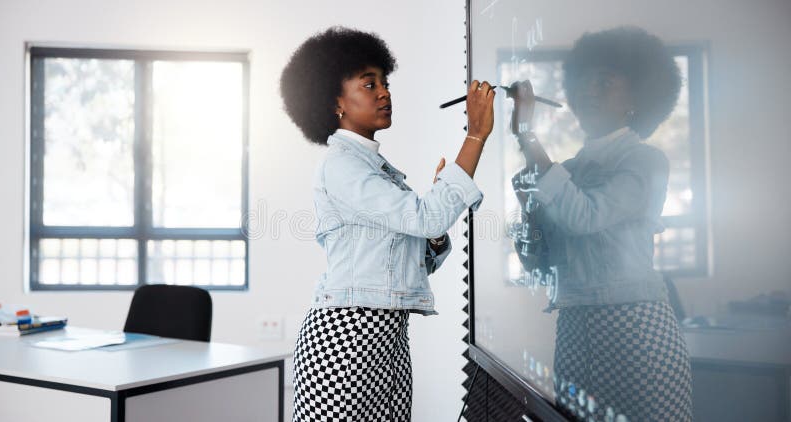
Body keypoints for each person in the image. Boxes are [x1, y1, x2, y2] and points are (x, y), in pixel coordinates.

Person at [279, 27, 495, 421]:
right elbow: (426, 215)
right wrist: (476, 136)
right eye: (368, 83)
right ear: (334, 103)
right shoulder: (342, 166)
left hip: (385, 336)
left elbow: (418, 251)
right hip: (345, 341)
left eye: (384, 81)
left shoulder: (374, 170)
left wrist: (432, 217)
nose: (384, 92)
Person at [510, 27, 692, 421]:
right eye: (583, 80)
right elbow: (536, 265)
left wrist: (528, 136)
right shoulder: (568, 170)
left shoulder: (646, 161)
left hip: (637, 336)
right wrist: (529, 212)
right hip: (574, 330)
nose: (588, 90)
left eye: (604, 81)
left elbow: (585, 216)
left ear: (638, 98)